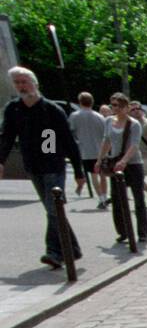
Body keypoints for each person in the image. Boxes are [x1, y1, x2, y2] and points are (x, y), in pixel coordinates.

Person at [0, 66, 85, 270]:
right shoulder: (13, 109)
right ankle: (72, 249)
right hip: (33, 166)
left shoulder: (51, 110)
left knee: (53, 209)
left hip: (53, 165)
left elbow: (67, 140)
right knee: (53, 209)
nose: (21, 86)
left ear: (35, 84)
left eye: (24, 82)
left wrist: (79, 172)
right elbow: (7, 137)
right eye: (17, 83)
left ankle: (54, 252)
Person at [98, 92, 147, 244]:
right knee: (117, 199)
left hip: (133, 164)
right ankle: (123, 231)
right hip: (115, 163)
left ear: (127, 107)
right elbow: (106, 141)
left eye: (119, 106)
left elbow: (134, 145)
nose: (116, 108)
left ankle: (142, 233)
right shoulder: (108, 121)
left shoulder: (134, 124)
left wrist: (125, 160)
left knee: (138, 198)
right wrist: (99, 159)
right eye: (113, 105)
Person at [68, 92, 105, 203]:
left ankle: (101, 198)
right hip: (99, 150)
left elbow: (70, 132)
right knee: (101, 175)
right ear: (92, 102)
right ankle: (104, 195)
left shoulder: (74, 116)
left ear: (80, 102)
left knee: (93, 176)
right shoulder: (100, 117)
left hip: (84, 150)